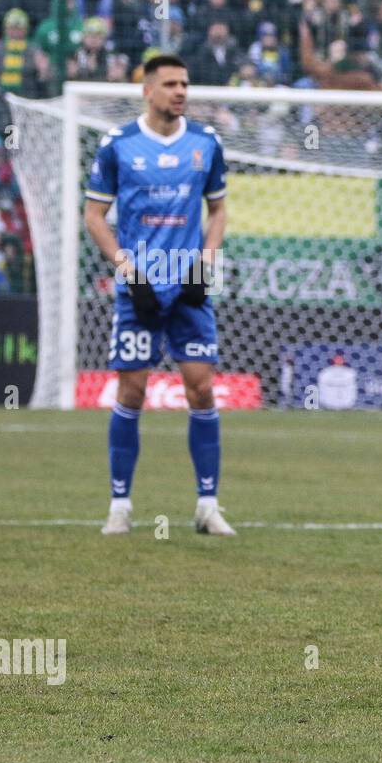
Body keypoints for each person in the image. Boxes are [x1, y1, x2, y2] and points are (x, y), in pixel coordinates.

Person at [83, 54, 235, 537]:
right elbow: (94, 217)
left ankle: (208, 506)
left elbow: (218, 211)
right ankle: (120, 506)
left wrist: (205, 262)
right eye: (170, 84)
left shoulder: (206, 143)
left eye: (185, 83)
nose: (180, 91)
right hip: (139, 289)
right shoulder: (118, 146)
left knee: (202, 387)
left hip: (189, 287)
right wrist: (129, 271)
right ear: (147, 91)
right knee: (131, 391)